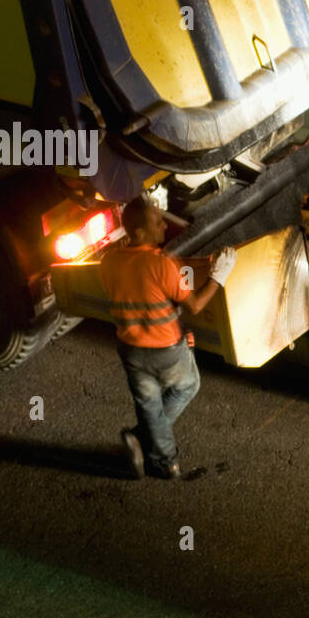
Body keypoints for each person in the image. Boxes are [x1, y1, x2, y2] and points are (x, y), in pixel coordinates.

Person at [100, 197, 236, 478]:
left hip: (130, 351)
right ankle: (164, 459)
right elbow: (196, 305)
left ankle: (147, 444)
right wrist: (218, 277)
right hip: (165, 350)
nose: (164, 225)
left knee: (149, 406)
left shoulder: (109, 262)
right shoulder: (162, 265)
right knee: (188, 385)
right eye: (157, 222)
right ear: (138, 232)